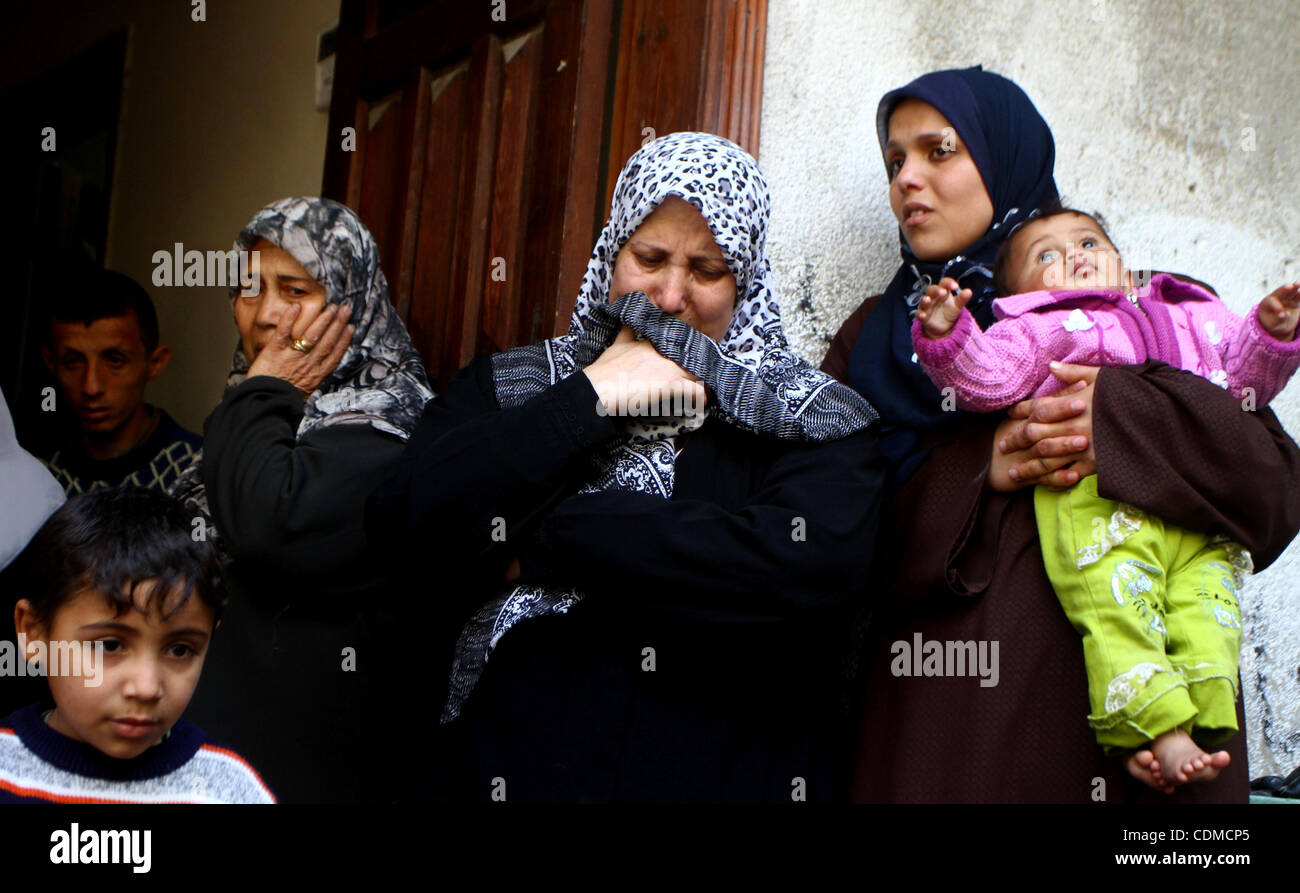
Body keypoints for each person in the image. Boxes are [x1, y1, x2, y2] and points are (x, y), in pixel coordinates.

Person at [820, 66, 1300, 803]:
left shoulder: (1150, 310)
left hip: (1152, 754)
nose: (908, 179)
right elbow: (829, 537)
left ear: (1005, 154)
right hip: (955, 731)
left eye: (938, 149)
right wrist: (983, 469)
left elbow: (1272, 490)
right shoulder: (881, 341)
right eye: (894, 162)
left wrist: (1123, 420)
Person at [366, 132, 886, 803]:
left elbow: (793, 575)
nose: (670, 296)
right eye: (650, 258)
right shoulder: (514, 388)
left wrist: (551, 539)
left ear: (747, 283)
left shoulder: (809, 422)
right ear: (611, 254)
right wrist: (590, 398)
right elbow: (407, 527)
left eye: (707, 269)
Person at [912, 207, 1300, 791]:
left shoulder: (1191, 312)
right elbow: (988, 379)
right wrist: (949, 337)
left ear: (1124, 263)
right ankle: (1153, 729)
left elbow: (1242, 389)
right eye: (1046, 256)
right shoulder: (1041, 328)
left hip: (1191, 522)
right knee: (1119, 608)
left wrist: (1271, 334)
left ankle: (1207, 717)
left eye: (1089, 240)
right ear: (1017, 297)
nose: (1074, 255)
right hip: (1097, 505)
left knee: (1209, 610)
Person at [171, 197, 434, 803]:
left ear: (351, 301)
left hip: (304, 763)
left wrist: (266, 389)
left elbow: (269, 522)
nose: (264, 315)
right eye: (249, 289)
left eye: (294, 290)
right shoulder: (247, 409)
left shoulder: (389, 418)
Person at [0, 487, 274, 804]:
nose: (146, 688)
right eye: (110, 645)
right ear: (33, 633)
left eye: (180, 650)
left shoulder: (227, 790)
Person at [41, 268, 201, 495]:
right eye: (73, 362)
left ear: (155, 363)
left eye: (114, 361)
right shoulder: (34, 469)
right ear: (51, 364)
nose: (91, 387)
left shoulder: (199, 472)